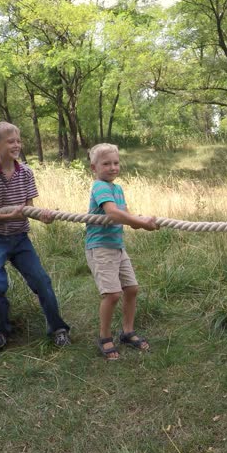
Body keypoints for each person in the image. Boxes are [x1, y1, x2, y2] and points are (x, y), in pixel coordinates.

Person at [0, 122, 71, 349]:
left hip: (20, 239)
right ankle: (0, 329)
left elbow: (28, 209)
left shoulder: (26, 172)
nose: (16, 145)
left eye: (18, 140)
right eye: (10, 141)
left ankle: (58, 328)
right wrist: (6, 216)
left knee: (42, 281)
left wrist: (42, 217)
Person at [85, 143, 159, 360]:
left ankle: (127, 332)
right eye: (106, 163)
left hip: (117, 247)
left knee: (132, 288)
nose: (112, 167)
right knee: (112, 294)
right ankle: (105, 337)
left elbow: (126, 215)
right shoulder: (100, 186)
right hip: (100, 247)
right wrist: (140, 222)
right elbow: (114, 214)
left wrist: (143, 222)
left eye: (116, 163)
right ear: (94, 167)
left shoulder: (117, 188)